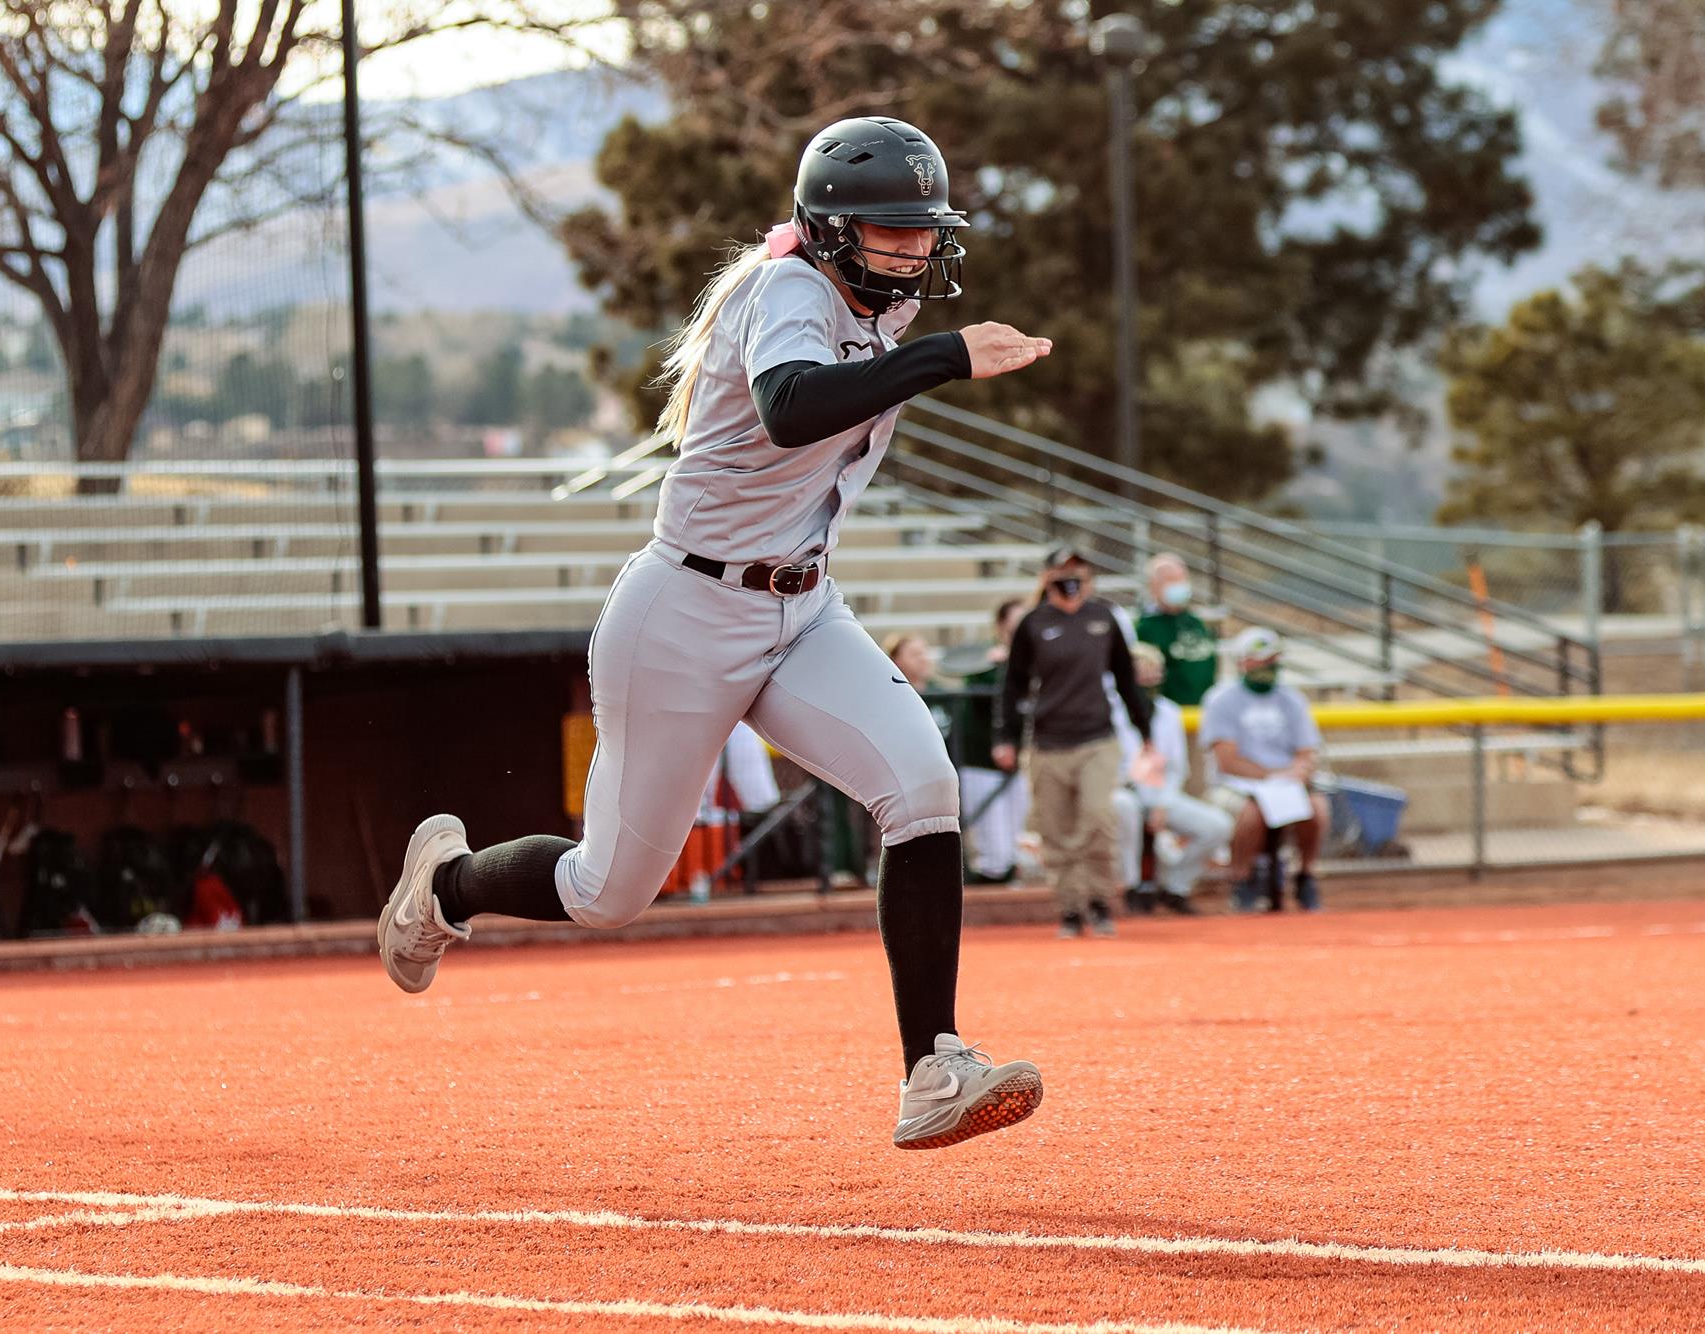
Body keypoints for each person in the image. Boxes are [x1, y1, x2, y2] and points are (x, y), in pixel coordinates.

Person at [377, 116, 1051, 1151]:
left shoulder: (887, 297)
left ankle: (932, 1066)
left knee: (923, 787)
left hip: (802, 604)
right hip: (685, 611)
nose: (913, 251)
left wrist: (924, 344)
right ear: (825, 228)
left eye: (923, 230)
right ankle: (446, 883)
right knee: (606, 892)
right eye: (890, 229)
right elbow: (789, 409)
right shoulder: (785, 287)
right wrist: (942, 358)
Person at [995, 547, 1153, 940]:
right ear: (1047, 578)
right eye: (1063, 571)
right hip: (1048, 740)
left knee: (1098, 817)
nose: (1071, 578)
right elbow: (1013, 683)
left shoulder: (1103, 617)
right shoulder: (1033, 623)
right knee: (1056, 828)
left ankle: (1100, 900)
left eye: (1077, 570)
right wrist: (1007, 738)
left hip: (1096, 736)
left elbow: (1124, 676)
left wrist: (1145, 728)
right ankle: (1069, 907)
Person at [1198, 627, 1326, 912]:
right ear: (1243, 662)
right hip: (1237, 784)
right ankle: (1243, 880)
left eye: (1272, 659)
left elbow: (1307, 752)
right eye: (1261, 660)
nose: (1268, 666)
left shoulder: (1291, 698)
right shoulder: (1221, 699)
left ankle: (1305, 876)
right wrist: (1271, 777)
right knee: (1251, 814)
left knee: (1316, 807)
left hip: (1285, 782)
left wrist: (1297, 773)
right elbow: (1228, 760)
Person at [1112, 643, 1234, 914]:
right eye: (1142, 674)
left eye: (1154, 674)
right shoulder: (1110, 712)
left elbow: (1177, 768)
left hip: (1160, 792)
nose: (1149, 680)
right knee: (1125, 808)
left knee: (1217, 826)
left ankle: (1174, 886)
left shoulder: (1169, 712)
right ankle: (1129, 887)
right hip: (1123, 790)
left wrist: (1163, 803)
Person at [956, 600, 1030, 885]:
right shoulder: (987, 661)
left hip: (1020, 765)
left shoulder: (1036, 660)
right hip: (982, 763)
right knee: (995, 856)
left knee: (1012, 850)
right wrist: (1001, 663)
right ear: (1001, 627)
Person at [1134, 553, 1218, 707]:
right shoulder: (1146, 627)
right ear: (1154, 586)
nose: (1179, 584)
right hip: (1171, 715)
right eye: (1172, 580)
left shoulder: (1194, 621)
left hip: (1203, 711)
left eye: (1182, 579)